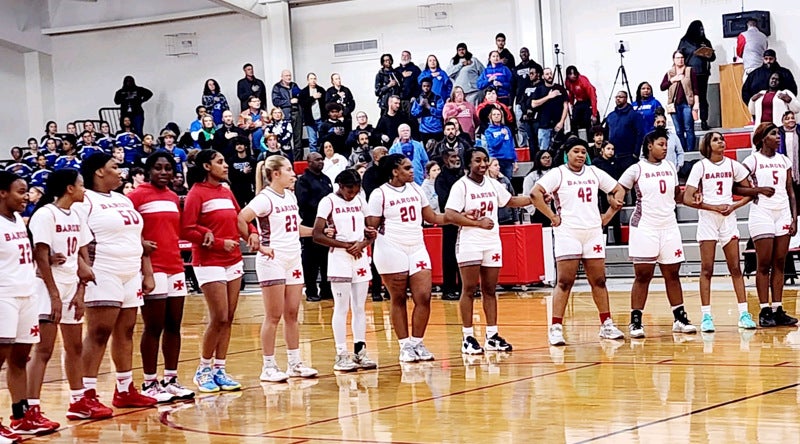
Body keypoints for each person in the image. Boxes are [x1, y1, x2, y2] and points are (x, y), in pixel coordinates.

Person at [74, 153, 158, 417]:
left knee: (127, 330)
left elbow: (139, 239)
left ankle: (124, 389)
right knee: (99, 331)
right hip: (102, 270)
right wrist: (83, 270)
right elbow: (75, 240)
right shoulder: (83, 200)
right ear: (99, 172)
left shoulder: (123, 199)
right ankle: (85, 395)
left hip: (130, 270)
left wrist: (147, 272)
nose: (120, 172)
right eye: (114, 167)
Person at [531, 138, 626, 345]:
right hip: (568, 232)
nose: (581, 155)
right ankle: (555, 327)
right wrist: (552, 217)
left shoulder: (593, 172)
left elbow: (619, 190)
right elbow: (534, 193)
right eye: (576, 151)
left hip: (592, 232)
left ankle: (606, 324)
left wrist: (608, 215)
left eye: (584, 151)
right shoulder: (558, 173)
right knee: (565, 281)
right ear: (567, 153)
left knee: (599, 281)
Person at [237, 155, 318, 382]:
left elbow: (295, 228)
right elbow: (241, 218)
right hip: (273, 259)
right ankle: (268, 366)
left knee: (292, 314)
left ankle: (294, 363)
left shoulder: (290, 196)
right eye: (289, 170)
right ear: (275, 174)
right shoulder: (265, 199)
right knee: (273, 316)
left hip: (293, 258)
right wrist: (255, 241)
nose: (294, 174)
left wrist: (317, 232)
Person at [445, 148, 532, 354]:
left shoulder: (493, 183)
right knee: (468, 289)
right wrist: (476, 223)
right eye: (478, 161)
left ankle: (492, 335)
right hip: (470, 242)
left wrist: (534, 198)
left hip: (492, 242)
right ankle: (467, 337)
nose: (483, 164)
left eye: (485, 160)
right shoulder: (461, 186)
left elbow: (510, 201)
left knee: (490, 290)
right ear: (468, 164)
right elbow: (450, 214)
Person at [614, 128, 697, 338]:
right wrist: (616, 200)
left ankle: (679, 318)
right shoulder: (636, 169)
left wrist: (694, 197)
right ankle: (635, 321)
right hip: (645, 227)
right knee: (643, 275)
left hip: (669, 225)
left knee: (673, 274)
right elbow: (618, 189)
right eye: (661, 144)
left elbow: (676, 195)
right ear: (649, 145)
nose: (665, 148)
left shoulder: (670, 166)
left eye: (666, 145)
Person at [182, 149, 252, 393]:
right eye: (220, 162)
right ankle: (203, 368)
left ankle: (220, 368)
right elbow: (187, 229)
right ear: (206, 166)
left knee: (229, 317)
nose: (226, 165)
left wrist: (251, 233)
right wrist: (218, 242)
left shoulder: (226, 191)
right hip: (209, 261)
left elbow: (239, 218)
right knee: (219, 316)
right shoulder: (196, 193)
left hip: (233, 260)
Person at [128, 153, 195, 402]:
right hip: (152, 267)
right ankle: (149, 382)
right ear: (149, 171)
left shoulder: (171, 197)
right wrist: (140, 243)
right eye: (158, 168)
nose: (164, 172)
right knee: (153, 326)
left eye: (168, 168)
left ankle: (171, 378)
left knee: (174, 324)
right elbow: (124, 227)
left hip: (175, 265)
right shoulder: (136, 196)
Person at [365, 154, 446, 362]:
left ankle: (417, 341)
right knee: (398, 298)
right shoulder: (379, 194)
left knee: (424, 296)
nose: (412, 171)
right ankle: (404, 346)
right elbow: (370, 226)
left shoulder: (417, 189)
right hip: (391, 247)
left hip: (417, 246)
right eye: (407, 168)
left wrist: (462, 217)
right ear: (395, 171)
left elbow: (432, 218)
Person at [683, 132, 762, 332]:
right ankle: (706, 316)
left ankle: (744, 313)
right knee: (707, 269)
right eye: (716, 140)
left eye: (722, 139)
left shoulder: (733, 165)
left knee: (735, 267)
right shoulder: (699, 166)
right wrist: (712, 207)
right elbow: (687, 198)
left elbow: (751, 192)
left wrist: (734, 206)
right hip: (708, 219)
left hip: (728, 218)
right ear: (707, 145)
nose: (721, 142)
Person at [0, 172, 58, 439]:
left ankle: (21, 416)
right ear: (2, 193)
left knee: (21, 358)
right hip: (4, 297)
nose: (26, 197)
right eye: (21, 192)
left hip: (26, 295)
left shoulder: (19, 222)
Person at [312, 169, 378, 371]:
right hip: (339, 257)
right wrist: (346, 245)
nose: (353, 194)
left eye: (356, 190)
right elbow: (316, 235)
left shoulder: (360, 200)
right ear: (340, 186)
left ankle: (360, 351)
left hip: (359, 256)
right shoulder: (328, 202)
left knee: (360, 307)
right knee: (342, 308)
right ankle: (341, 353)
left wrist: (364, 242)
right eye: (350, 190)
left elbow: (372, 229)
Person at [742, 123, 798, 326]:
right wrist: (758, 190)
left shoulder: (784, 160)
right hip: (762, 213)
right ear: (763, 138)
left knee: (780, 262)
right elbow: (736, 186)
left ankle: (778, 308)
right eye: (774, 134)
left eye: (778, 134)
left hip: (782, 212)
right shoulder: (752, 160)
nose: (778, 137)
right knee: (763, 263)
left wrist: (794, 218)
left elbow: (791, 192)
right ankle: (764, 310)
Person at [295, 152, 334, 302]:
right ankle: (311, 290)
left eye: (322, 159)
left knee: (326, 259)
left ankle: (326, 288)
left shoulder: (326, 179)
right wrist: (321, 209)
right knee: (311, 260)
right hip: (310, 224)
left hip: (326, 225)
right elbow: (303, 202)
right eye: (317, 159)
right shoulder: (303, 181)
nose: (321, 161)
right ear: (309, 162)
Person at [436, 149, 464, 301]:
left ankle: (463, 287)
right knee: (449, 255)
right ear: (446, 159)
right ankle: (448, 288)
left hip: (465, 220)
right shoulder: (441, 179)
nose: (456, 159)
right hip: (449, 220)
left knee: (463, 253)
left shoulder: (462, 175)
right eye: (453, 157)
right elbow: (445, 200)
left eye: (457, 156)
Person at [678, 20, 716, 130]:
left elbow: (713, 58)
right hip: (689, 73)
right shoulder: (684, 41)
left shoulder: (705, 41)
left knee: (703, 98)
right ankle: (689, 123)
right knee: (689, 98)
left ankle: (704, 121)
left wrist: (707, 53)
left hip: (703, 73)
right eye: (699, 29)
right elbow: (679, 55)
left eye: (702, 29)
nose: (701, 31)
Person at [662, 51, 699, 152]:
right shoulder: (670, 73)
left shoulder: (690, 70)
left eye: (682, 57)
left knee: (689, 128)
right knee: (679, 130)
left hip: (687, 104)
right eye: (678, 58)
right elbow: (662, 86)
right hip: (674, 105)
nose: (680, 60)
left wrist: (696, 103)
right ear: (674, 59)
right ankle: (682, 151)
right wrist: (673, 80)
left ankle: (690, 151)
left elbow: (695, 88)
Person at [606, 91, 646, 172]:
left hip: (628, 155)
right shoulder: (610, 116)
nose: (618, 99)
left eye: (620, 97)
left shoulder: (635, 115)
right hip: (613, 155)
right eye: (616, 97)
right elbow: (606, 133)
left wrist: (636, 154)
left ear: (626, 98)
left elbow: (640, 134)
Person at [530, 68, 568, 151]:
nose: (550, 76)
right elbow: (533, 104)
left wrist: (561, 122)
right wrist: (549, 97)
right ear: (543, 76)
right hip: (544, 125)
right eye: (547, 74)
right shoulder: (539, 89)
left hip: (557, 124)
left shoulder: (560, 88)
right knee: (544, 151)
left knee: (559, 151)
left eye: (550, 73)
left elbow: (566, 106)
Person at [271, 70, 304, 160]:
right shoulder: (277, 87)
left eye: (289, 75)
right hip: (285, 115)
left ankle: (298, 161)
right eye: (286, 76)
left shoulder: (294, 85)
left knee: (298, 140)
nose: (288, 77)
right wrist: (289, 101)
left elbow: (300, 96)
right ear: (281, 77)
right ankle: (286, 160)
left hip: (297, 113)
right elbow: (275, 101)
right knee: (285, 140)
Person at [484, 108, 518, 179]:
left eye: (498, 114)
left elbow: (511, 145)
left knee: (507, 181)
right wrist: (502, 135)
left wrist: (515, 161)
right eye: (494, 114)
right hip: (496, 159)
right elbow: (492, 144)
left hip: (508, 160)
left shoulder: (507, 129)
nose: (496, 116)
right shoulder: (488, 131)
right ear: (491, 117)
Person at [411, 77, 445, 146]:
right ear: (421, 87)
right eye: (424, 86)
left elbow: (440, 113)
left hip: (437, 130)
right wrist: (420, 105)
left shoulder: (438, 98)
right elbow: (414, 114)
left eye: (428, 86)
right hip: (424, 130)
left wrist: (429, 107)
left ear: (431, 86)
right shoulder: (418, 99)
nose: (426, 88)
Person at [522, 150, 553, 223]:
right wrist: (533, 211)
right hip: (539, 211)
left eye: (549, 157)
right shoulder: (531, 176)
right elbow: (526, 195)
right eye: (544, 158)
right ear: (538, 160)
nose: (547, 160)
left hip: (554, 209)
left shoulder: (555, 173)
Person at [299, 73, 327, 153]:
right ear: (308, 80)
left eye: (314, 78)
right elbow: (302, 104)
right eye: (311, 79)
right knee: (312, 142)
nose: (313, 80)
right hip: (310, 120)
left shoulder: (321, 90)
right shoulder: (304, 92)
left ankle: (323, 157)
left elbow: (326, 103)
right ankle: (314, 160)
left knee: (323, 140)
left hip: (321, 119)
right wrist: (313, 98)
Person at [564, 65, 598, 131]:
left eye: (574, 73)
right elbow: (571, 93)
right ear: (568, 75)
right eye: (570, 74)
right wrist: (571, 104)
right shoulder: (568, 82)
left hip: (587, 100)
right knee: (574, 120)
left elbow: (593, 96)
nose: (573, 76)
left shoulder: (583, 80)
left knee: (586, 120)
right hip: (579, 101)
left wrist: (594, 114)